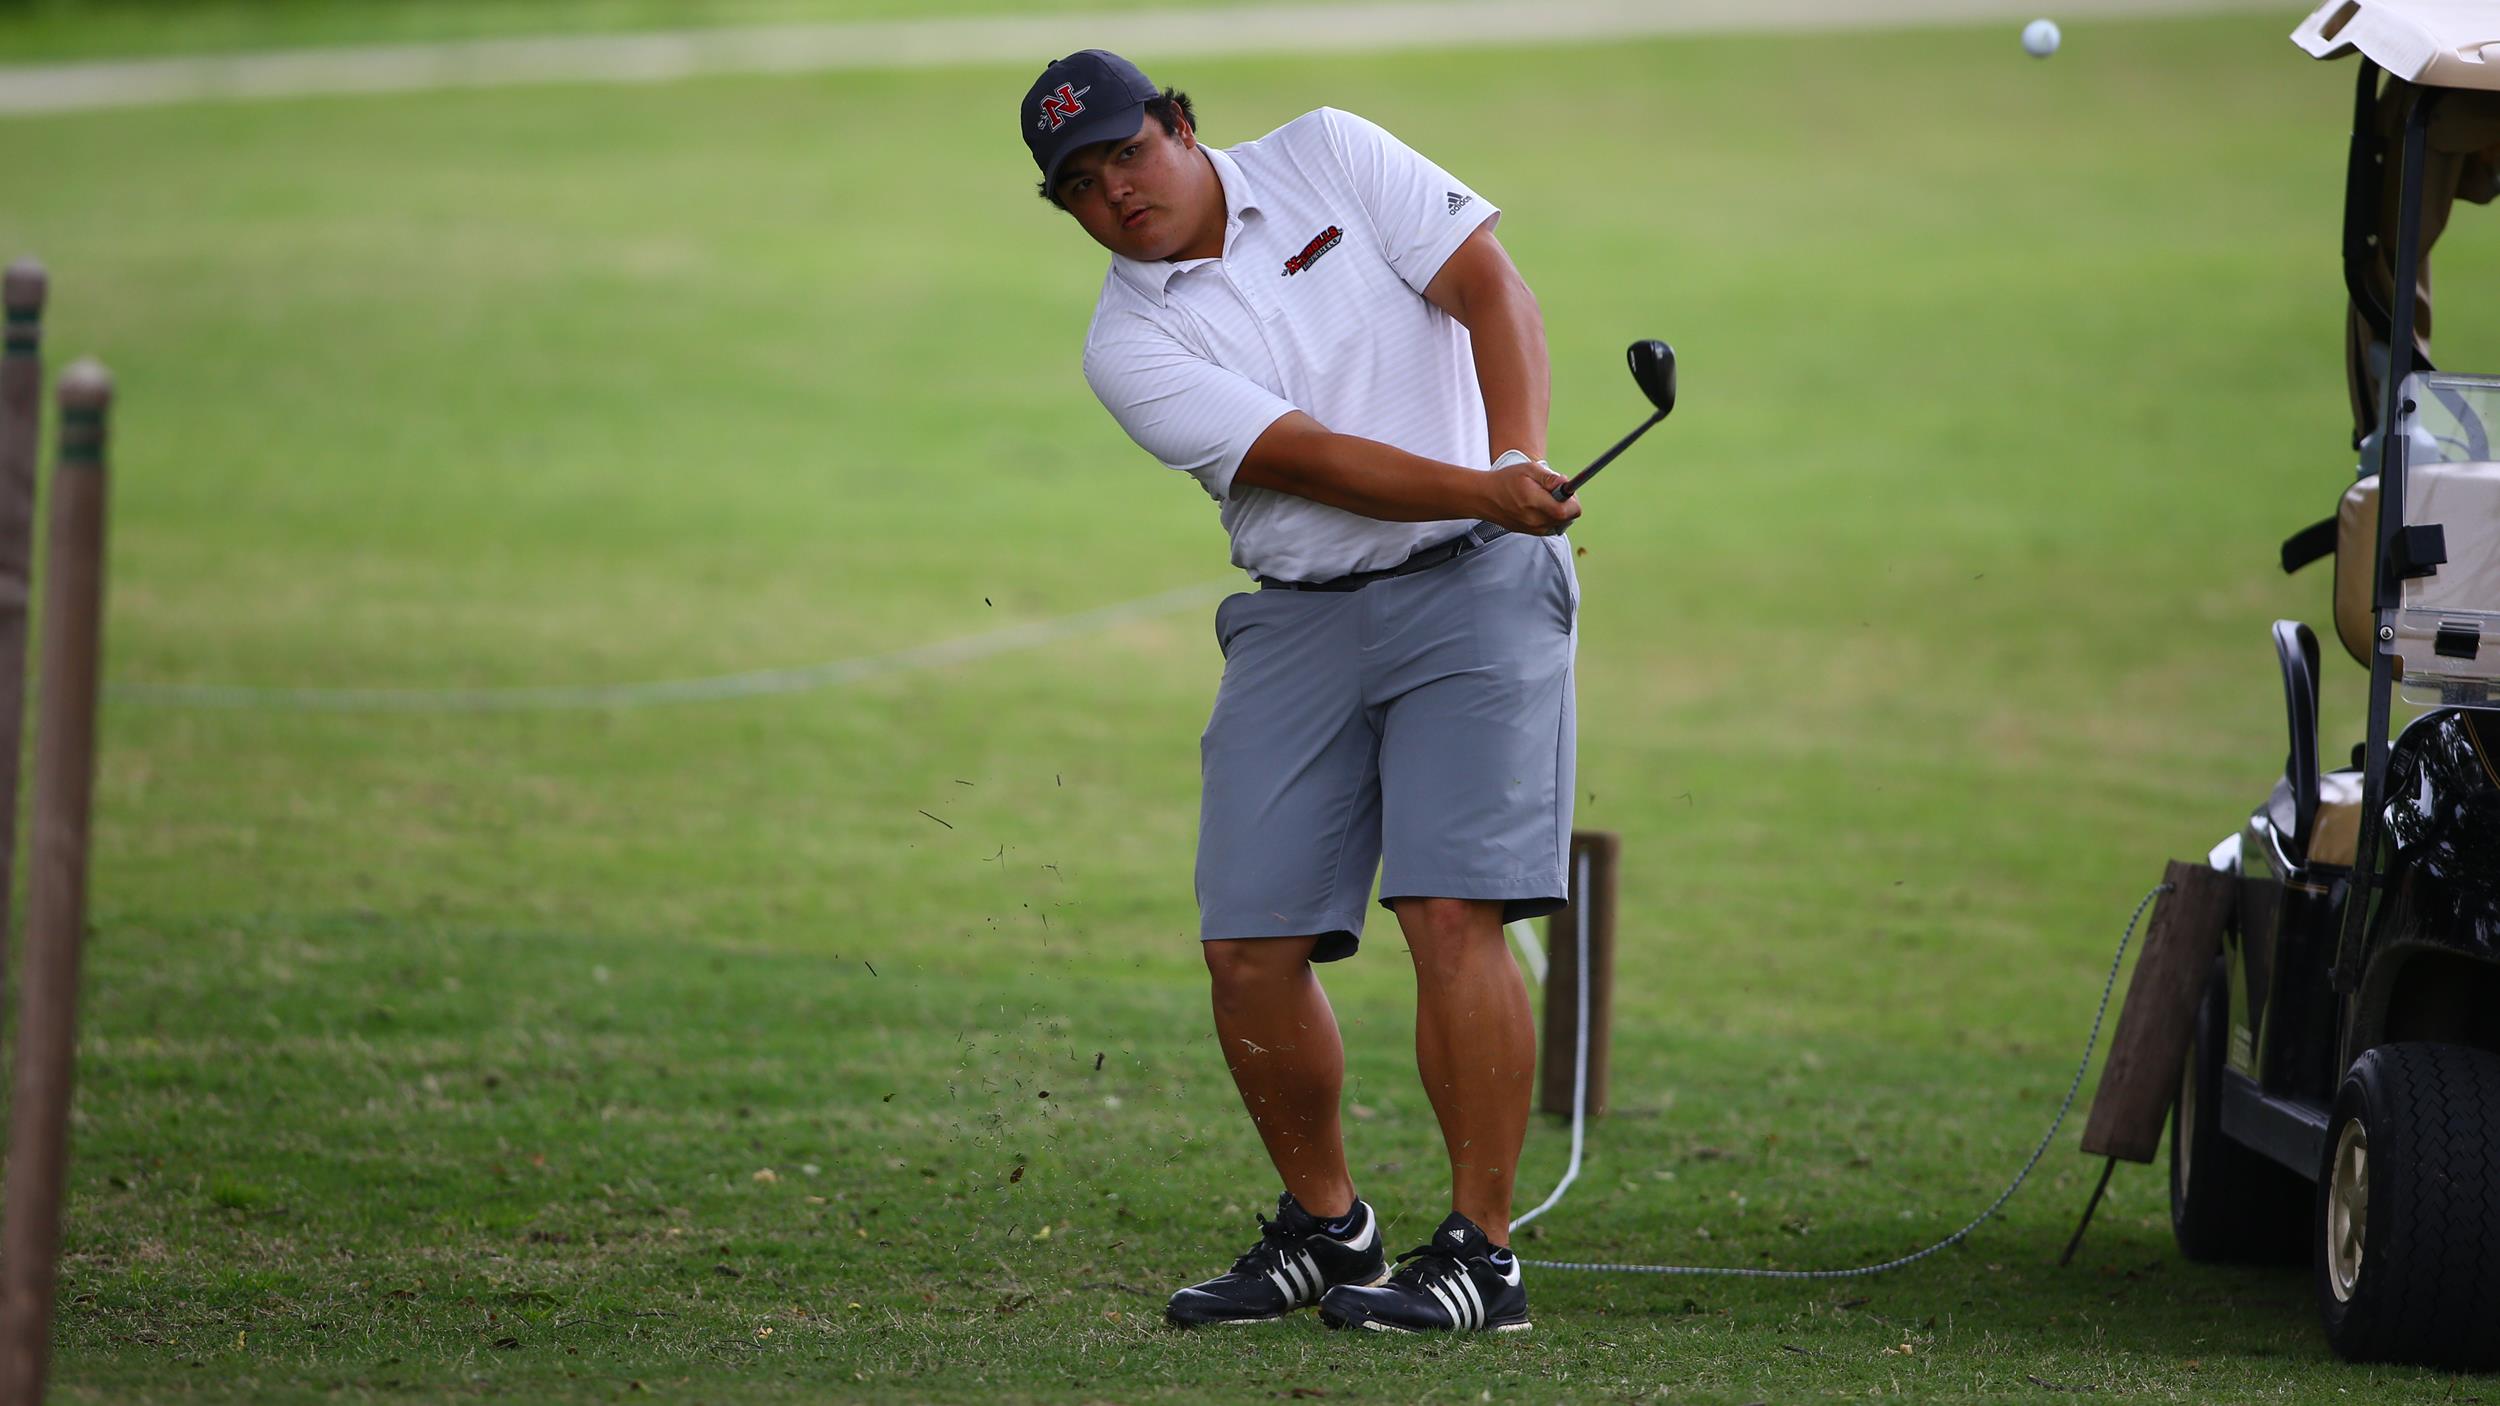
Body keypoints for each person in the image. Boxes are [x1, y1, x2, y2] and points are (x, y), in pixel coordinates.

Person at [1021, 48, 1580, 1335]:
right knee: (1247, 948)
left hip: (1478, 587)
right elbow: (1308, 460)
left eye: (1126, 153)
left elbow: (1489, 287)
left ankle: (1482, 1257)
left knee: (1449, 913)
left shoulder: (1330, 151)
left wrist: (1515, 463)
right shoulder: (1130, 341)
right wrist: (1478, 485)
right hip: (1302, 616)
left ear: (1179, 124)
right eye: (1081, 185)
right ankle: (1329, 1229)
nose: (1117, 191)